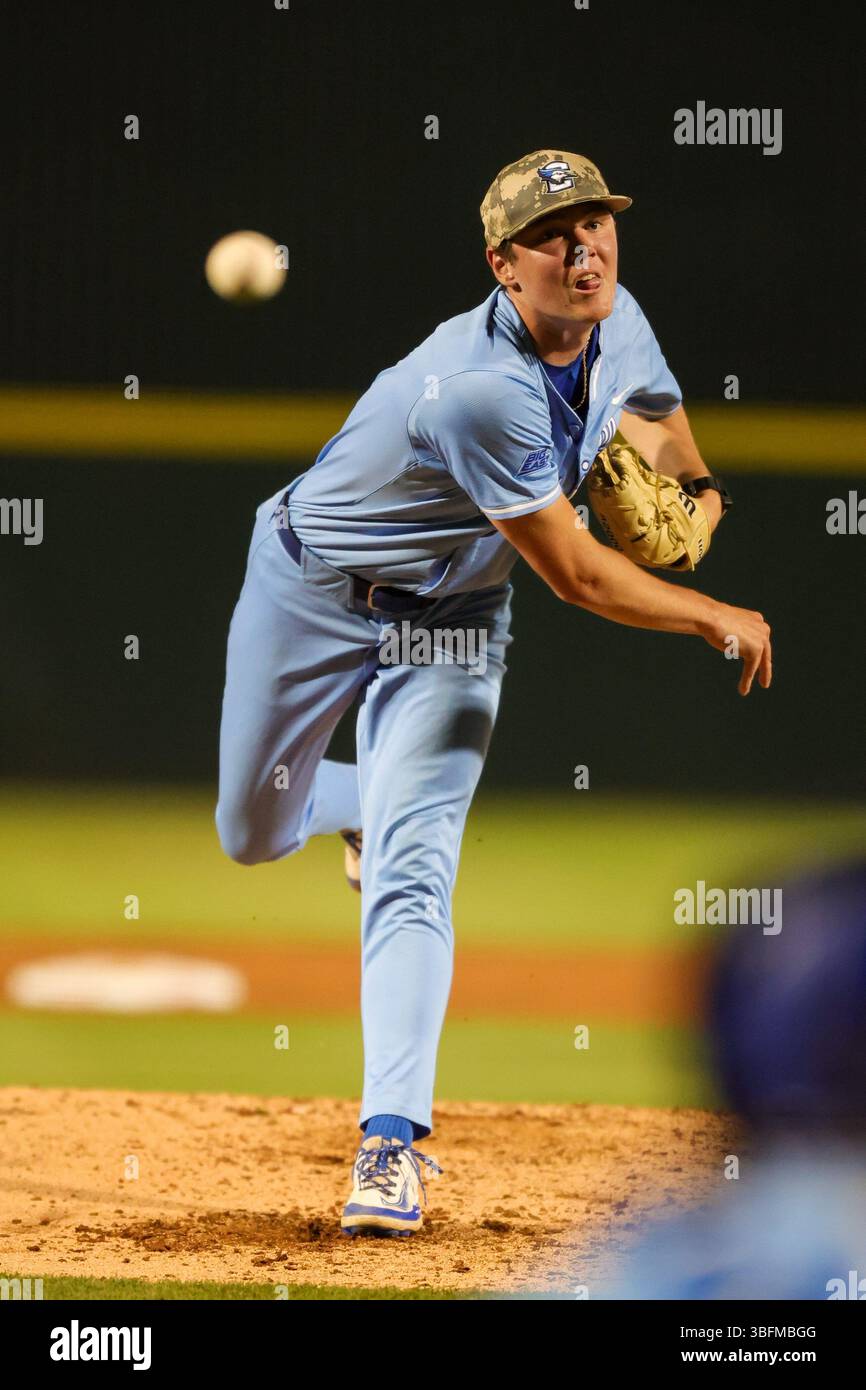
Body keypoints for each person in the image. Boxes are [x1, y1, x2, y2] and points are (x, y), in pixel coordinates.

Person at [215, 148, 772, 1238]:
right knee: (248, 831)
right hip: (313, 594)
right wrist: (709, 609)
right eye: (553, 235)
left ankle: (389, 1146)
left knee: (415, 876)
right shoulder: (477, 389)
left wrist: (697, 488)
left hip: (455, 626)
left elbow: (653, 406)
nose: (584, 248)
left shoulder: (615, 316)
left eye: (597, 223)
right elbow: (572, 575)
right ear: (500, 265)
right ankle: (357, 805)